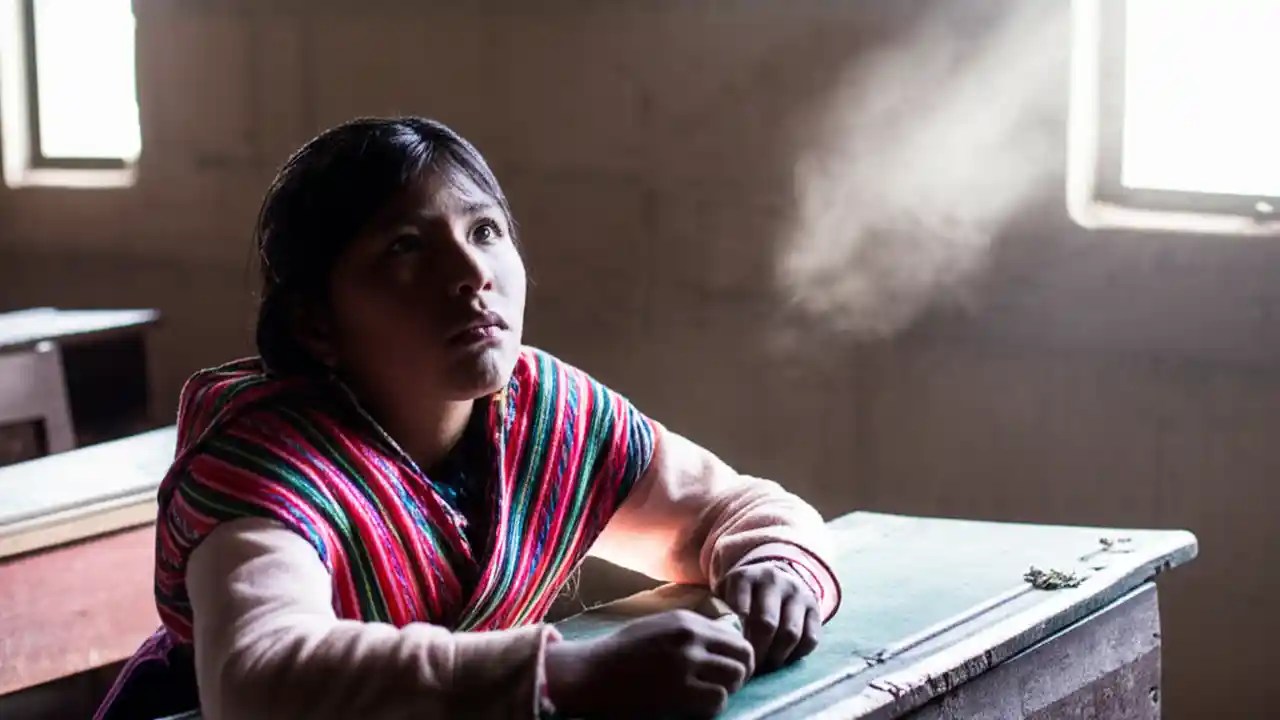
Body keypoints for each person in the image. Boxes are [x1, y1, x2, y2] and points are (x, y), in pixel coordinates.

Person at [95, 117, 841, 720]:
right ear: (315, 324)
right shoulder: (268, 465)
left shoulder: (545, 412)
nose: (472, 274)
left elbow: (731, 510)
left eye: (484, 231)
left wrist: (777, 567)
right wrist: (564, 672)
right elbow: (258, 680)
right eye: (406, 248)